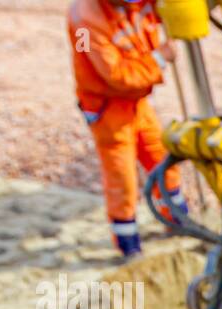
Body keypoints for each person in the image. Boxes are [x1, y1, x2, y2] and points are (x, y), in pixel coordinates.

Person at [68, 0, 188, 258]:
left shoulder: (133, 4)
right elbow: (118, 75)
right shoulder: (86, 22)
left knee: (162, 159)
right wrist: (159, 58)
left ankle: (178, 220)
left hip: (137, 102)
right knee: (122, 179)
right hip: (108, 108)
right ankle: (128, 245)